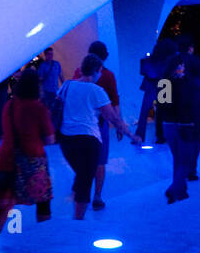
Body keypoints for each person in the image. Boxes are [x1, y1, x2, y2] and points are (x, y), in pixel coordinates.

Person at [57, 54, 141, 219]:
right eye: (100, 71)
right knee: (85, 179)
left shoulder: (66, 85)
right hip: (88, 140)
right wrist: (131, 135)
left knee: (81, 174)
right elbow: (113, 118)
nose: (101, 74)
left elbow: (56, 105)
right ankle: (78, 220)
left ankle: (77, 210)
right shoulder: (97, 91)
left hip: (66, 139)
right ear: (96, 71)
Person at [0, 70, 56, 235]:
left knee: (5, 205)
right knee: (43, 202)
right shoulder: (38, 108)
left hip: (7, 159)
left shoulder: (9, 105)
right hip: (33, 160)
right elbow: (50, 139)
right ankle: (44, 239)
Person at [71, 41, 122, 210]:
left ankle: (81, 193)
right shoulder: (107, 75)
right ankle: (97, 196)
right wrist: (120, 125)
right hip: (99, 127)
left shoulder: (78, 72)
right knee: (100, 162)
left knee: (83, 161)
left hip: (80, 126)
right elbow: (115, 102)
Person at [156, 53, 200, 203]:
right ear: (177, 66)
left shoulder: (164, 82)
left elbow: (162, 107)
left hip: (168, 124)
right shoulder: (188, 82)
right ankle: (174, 189)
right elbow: (194, 105)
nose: (183, 67)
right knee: (186, 161)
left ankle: (181, 190)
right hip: (185, 125)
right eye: (181, 64)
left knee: (178, 158)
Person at [175, 35, 200, 180]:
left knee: (180, 136)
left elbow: (165, 83)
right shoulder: (197, 61)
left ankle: (181, 167)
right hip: (196, 105)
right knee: (195, 135)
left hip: (178, 105)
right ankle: (192, 168)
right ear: (190, 48)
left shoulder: (173, 61)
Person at [136, 37, 177, 144]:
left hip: (150, 84)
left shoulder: (151, 59)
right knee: (162, 112)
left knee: (144, 111)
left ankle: (139, 136)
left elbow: (144, 71)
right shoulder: (170, 60)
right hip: (164, 85)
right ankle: (161, 135)